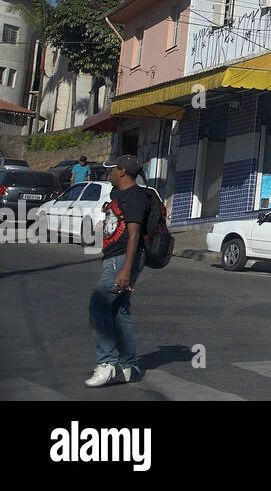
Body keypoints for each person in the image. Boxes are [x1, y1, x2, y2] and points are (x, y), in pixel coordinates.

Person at [85, 155, 149, 387]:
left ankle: (107, 363)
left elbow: (134, 233)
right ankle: (128, 366)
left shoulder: (134, 197)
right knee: (119, 309)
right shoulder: (119, 195)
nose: (109, 173)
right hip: (115, 258)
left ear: (122, 172)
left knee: (98, 305)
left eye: (112, 169)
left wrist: (126, 268)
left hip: (122, 259)